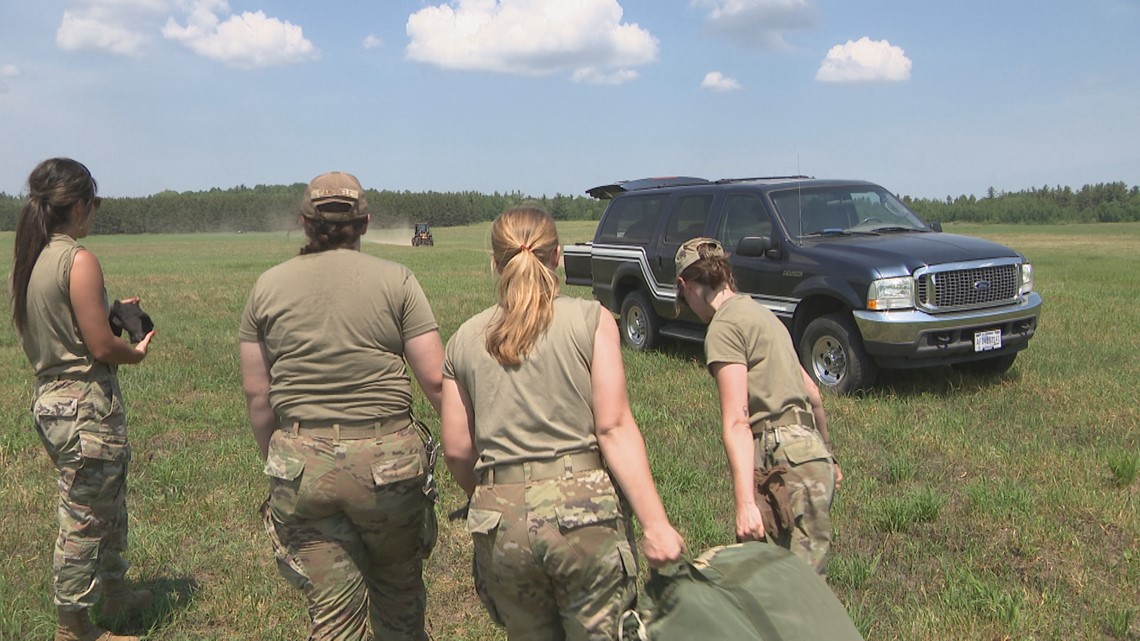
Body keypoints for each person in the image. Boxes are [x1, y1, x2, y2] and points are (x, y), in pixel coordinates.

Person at [441, 206, 686, 640]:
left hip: (501, 522)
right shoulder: (592, 320)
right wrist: (656, 525)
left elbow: (458, 450)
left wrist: (493, 499)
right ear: (558, 258)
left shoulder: (463, 339)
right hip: (584, 513)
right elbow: (613, 427)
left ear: (495, 263)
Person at [239, 171, 444, 641]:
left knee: (333, 620)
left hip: (302, 464)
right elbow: (435, 378)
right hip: (389, 469)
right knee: (398, 595)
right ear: (366, 223)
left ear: (304, 223)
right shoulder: (399, 280)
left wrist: (284, 457)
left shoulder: (266, 287)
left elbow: (258, 395)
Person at [9, 158, 156, 641]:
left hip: (53, 400)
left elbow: (67, 332)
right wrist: (133, 350)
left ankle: (114, 590)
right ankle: (72, 627)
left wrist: (109, 322)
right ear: (76, 205)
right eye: (91, 203)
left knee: (105, 503)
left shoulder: (32, 259)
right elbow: (98, 346)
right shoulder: (78, 259)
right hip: (86, 404)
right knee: (83, 517)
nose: (93, 213)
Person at [673, 237, 842, 575]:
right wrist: (829, 457)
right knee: (803, 583)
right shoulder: (765, 316)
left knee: (788, 590)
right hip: (812, 454)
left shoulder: (724, 326)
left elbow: (737, 422)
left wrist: (745, 503)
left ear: (685, 285)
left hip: (783, 462)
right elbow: (814, 394)